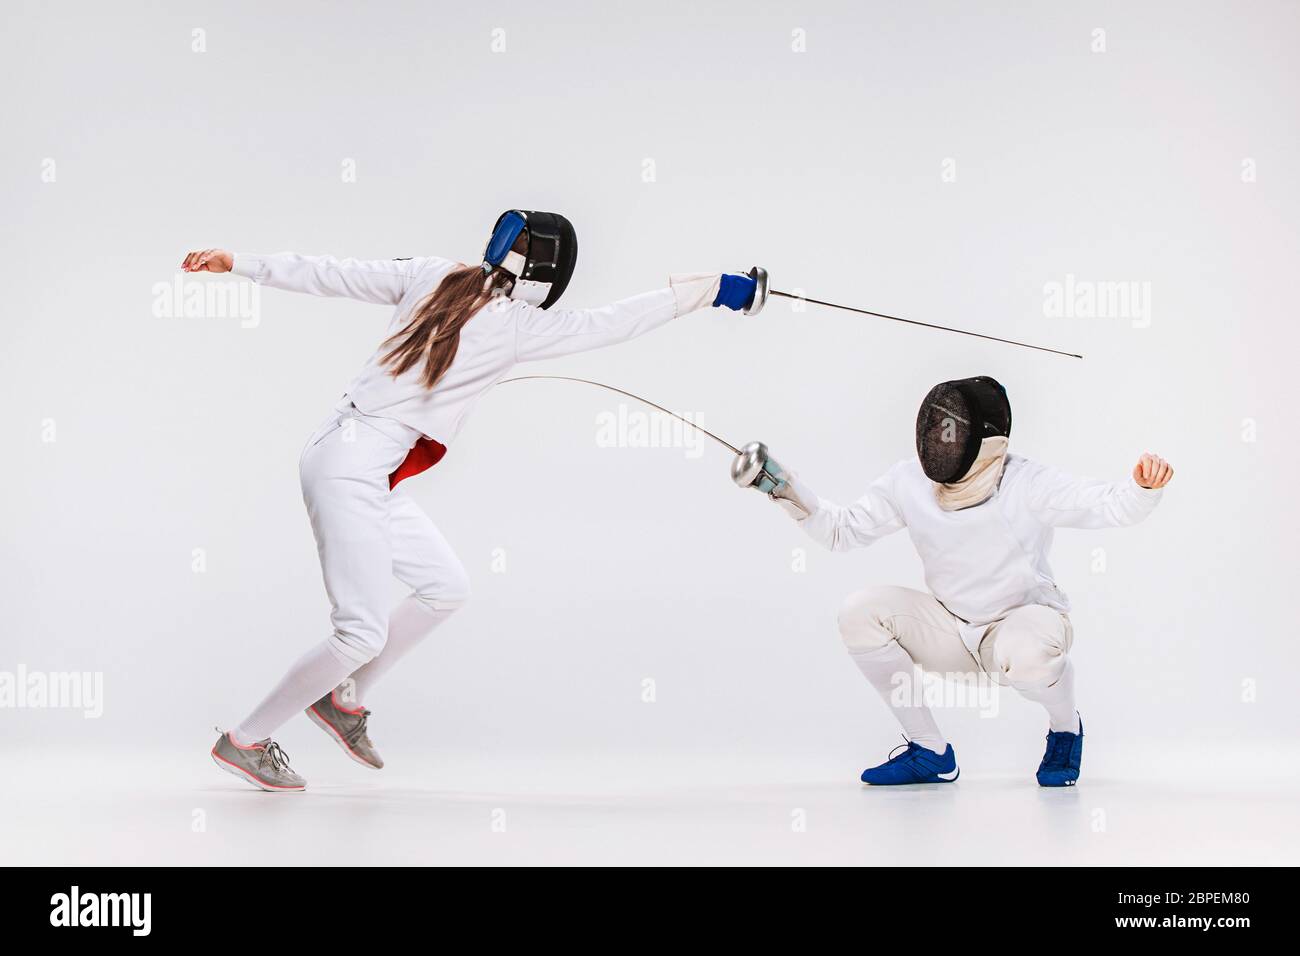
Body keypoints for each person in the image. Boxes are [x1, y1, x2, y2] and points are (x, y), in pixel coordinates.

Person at [183, 209, 759, 791]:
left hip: (357, 461)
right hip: (351, 468)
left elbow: (334, 273)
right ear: (549, 272)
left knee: (444, 587)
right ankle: (245, 741)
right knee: (359, 633)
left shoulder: (436, 274)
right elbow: (614, 322)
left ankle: (342, 699)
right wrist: (713, 290)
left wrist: (241, 262)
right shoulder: (515, 325)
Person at [734, 375, 1173, 786]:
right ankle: (930, 752)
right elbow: (841, 530)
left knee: (1029, 653)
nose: (942, 442)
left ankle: (1065, 728)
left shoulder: (1027, 483)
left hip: (1020, 626)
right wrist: (781, 485)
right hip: (950, 631)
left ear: (987, 441)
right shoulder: (908, 481)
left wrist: (1142, 489)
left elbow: (1107, 505)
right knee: (859, 614)